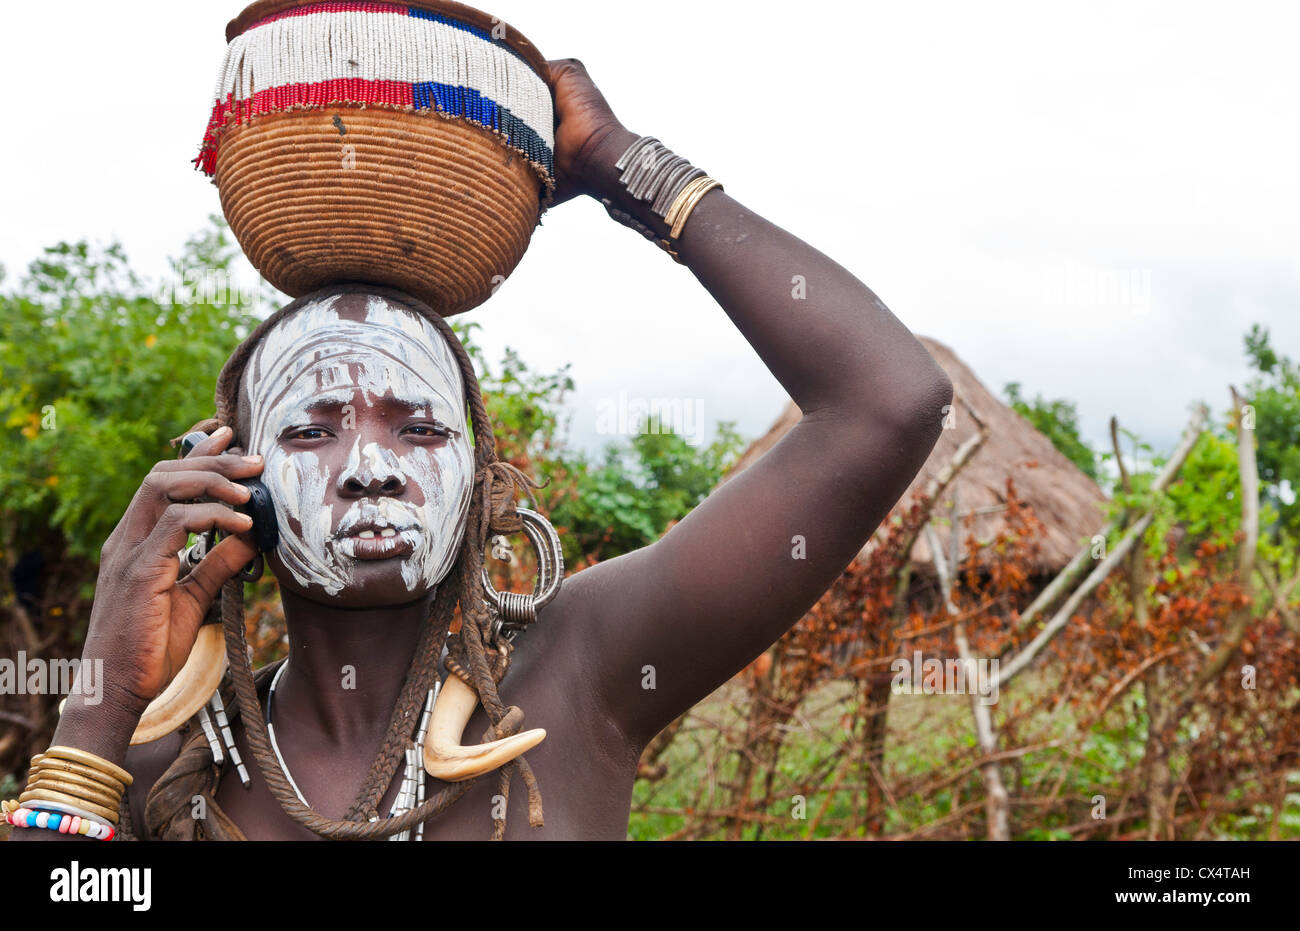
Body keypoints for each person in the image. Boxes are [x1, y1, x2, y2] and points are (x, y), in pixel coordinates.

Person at [13, 59, 952, 841]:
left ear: (479, 479)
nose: (371, 465)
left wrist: (626, 167)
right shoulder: (158, 778)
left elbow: (887, 405)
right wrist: (101, 700)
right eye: (311, 429)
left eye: (419, 427)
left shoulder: (581, 675)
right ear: (230, 485)